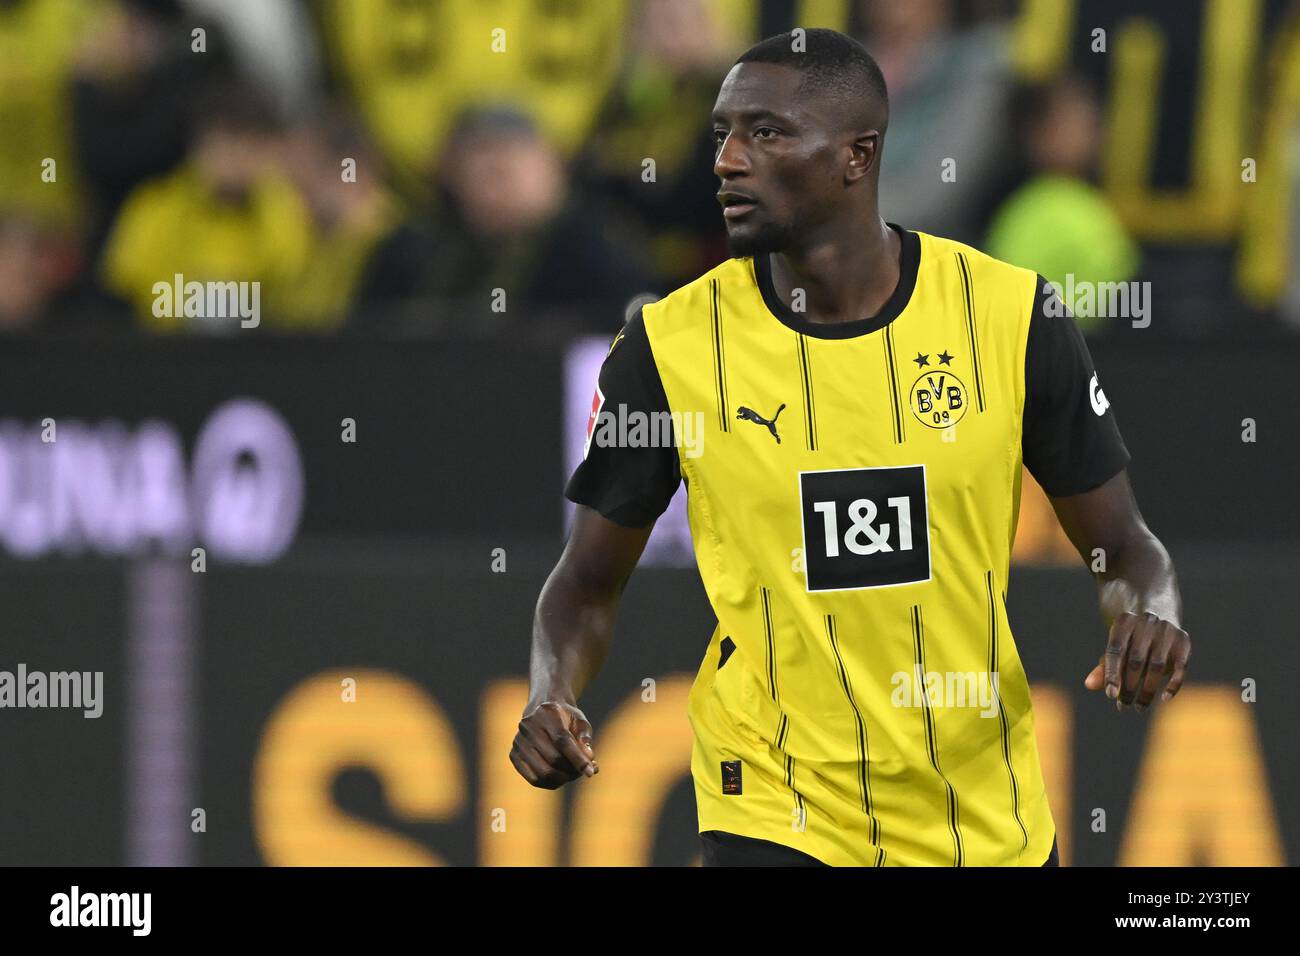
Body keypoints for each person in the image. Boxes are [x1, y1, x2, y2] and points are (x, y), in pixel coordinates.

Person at [512, 29, 1190, 867]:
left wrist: (1150, 611)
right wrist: (551, 691)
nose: (727, 160)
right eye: (723, 134)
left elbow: (1124, 547)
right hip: (771, 807)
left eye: (765, 133)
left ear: (856, 155)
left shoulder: (1011, 318)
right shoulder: (670, 347)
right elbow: (586, 582)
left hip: (983, 820)